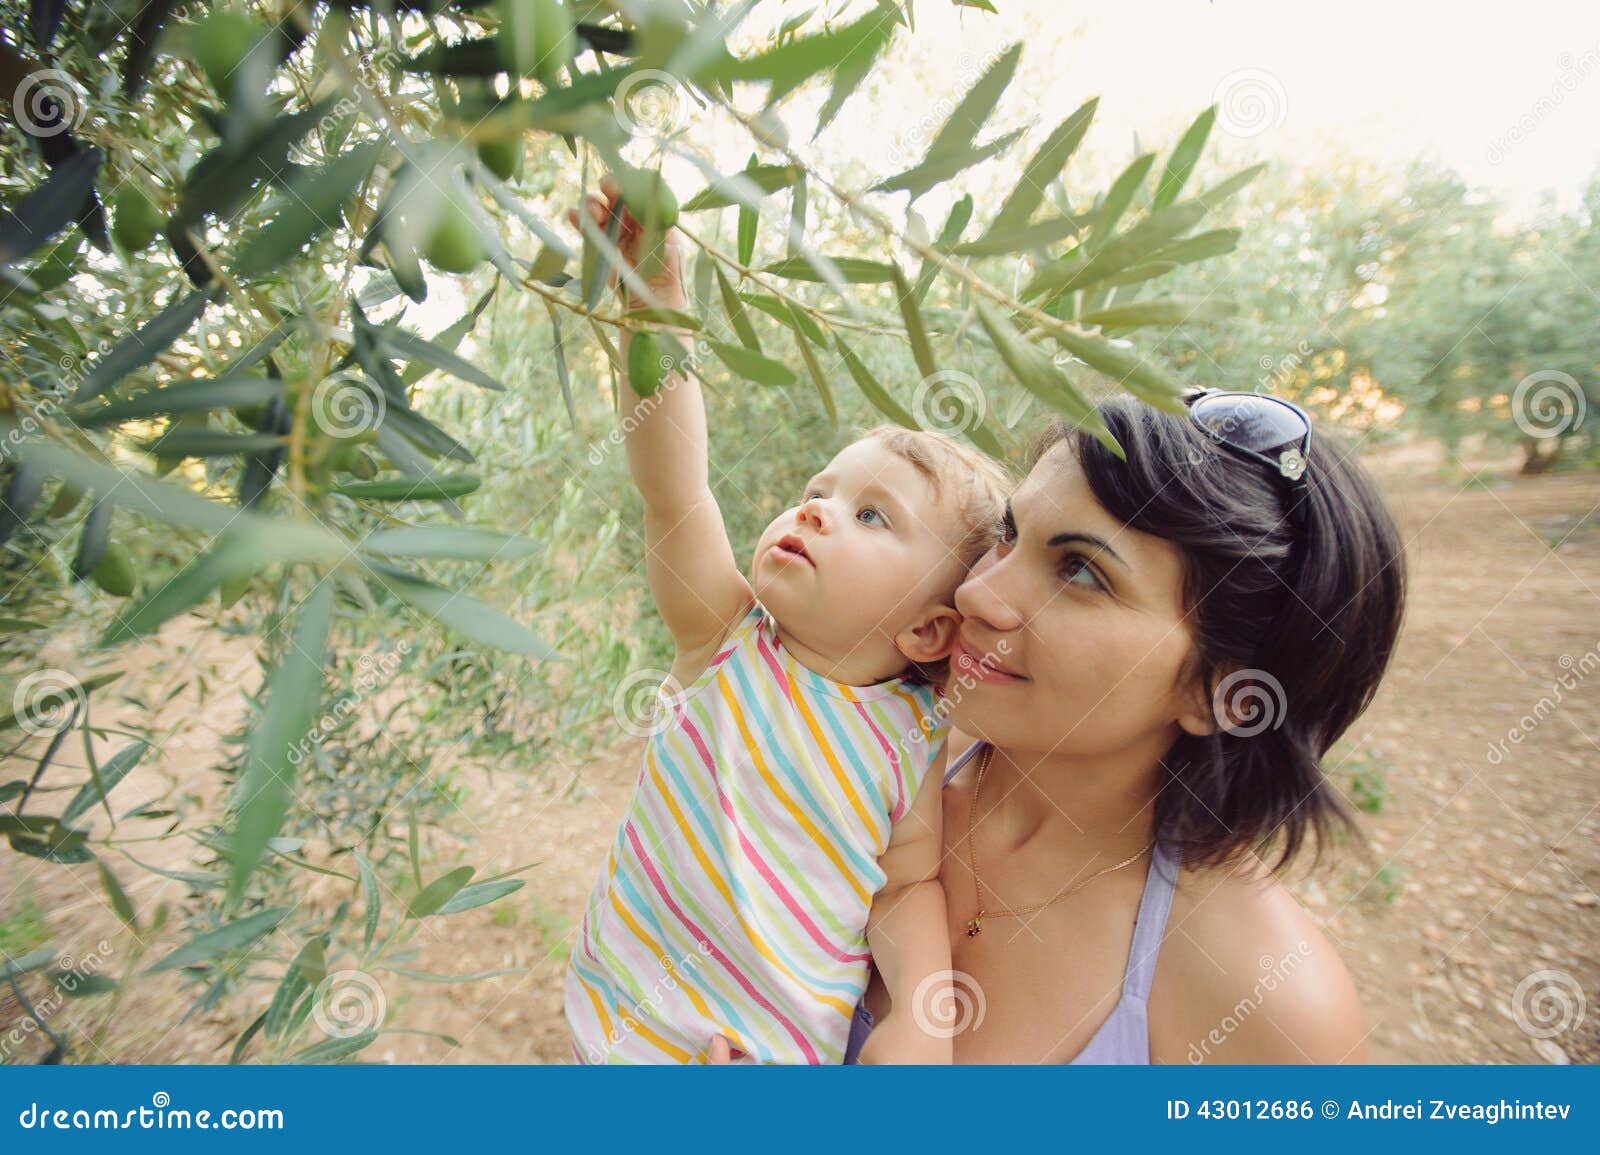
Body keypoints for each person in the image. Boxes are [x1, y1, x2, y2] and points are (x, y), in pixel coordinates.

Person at [562, 176, 1009, 1063]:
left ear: (927, 630)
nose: (816, 510)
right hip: (613, 1029)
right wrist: (656, 301)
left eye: (872, 515)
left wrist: (917, 1027)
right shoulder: (724, 637)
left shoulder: (909, 735)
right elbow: (674, 483)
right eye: (818, 490)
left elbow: (905, 883)